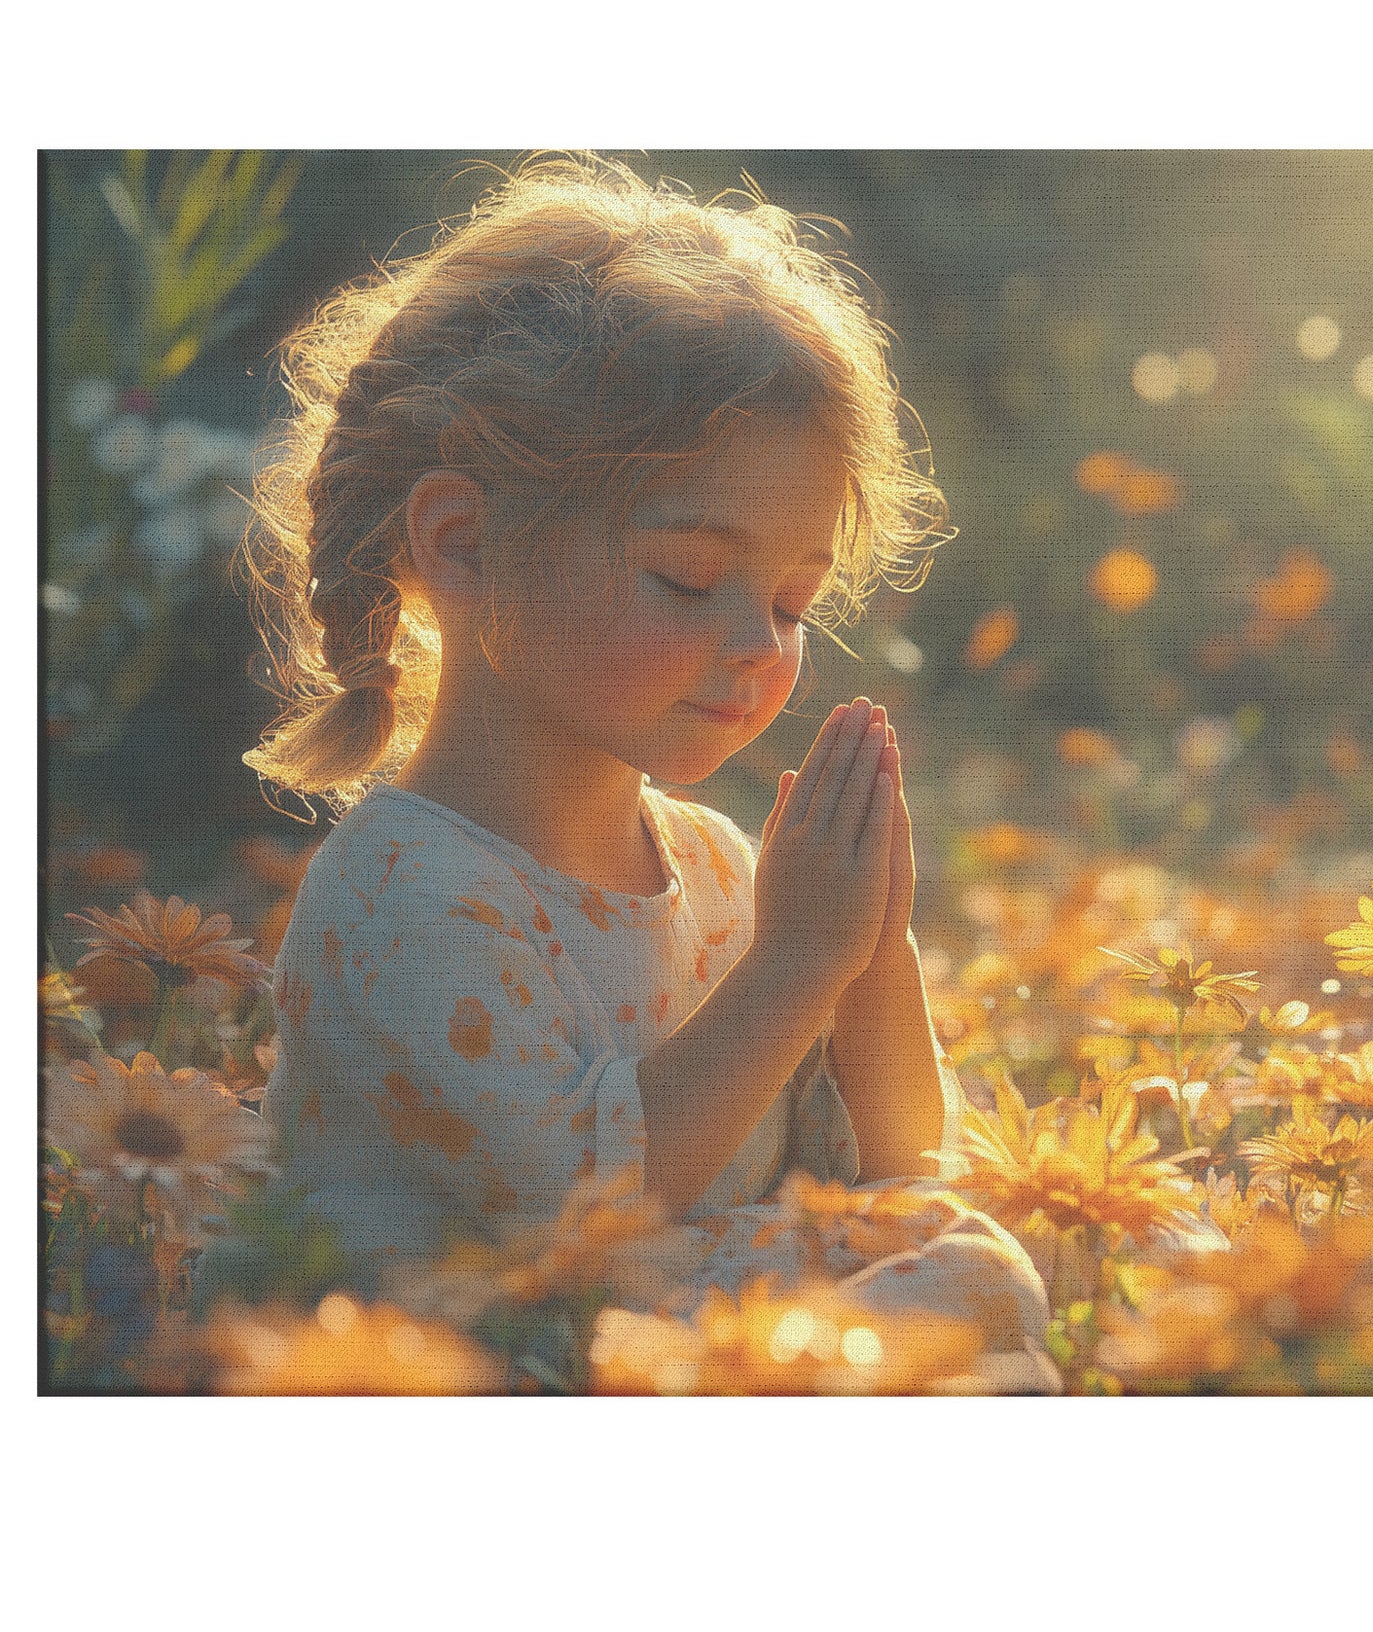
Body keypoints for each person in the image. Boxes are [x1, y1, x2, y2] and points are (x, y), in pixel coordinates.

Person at [232, 152, 1052, 1381]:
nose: (752, 647)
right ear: (463, 543)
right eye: (688, 580)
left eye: (788, 602)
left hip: (693, 1329)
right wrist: (794, 963)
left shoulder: (719, 867)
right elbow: (578, 1221)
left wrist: (868, 948)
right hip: (491, 1356)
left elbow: (889, 1161)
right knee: (973, 1291)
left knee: (974, 1259)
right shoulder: (399, 890)